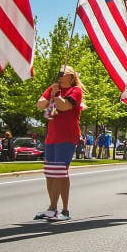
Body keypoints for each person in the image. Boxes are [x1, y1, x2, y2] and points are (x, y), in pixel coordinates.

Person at [34, 65, 85, 221]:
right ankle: (54, 208)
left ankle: (60, 209)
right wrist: (52, 94)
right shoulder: (53, 88)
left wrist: (55, 95)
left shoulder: (75, 91)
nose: (59, 75)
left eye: (63, 73)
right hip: (52, 137)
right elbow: (41, 105)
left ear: (71, 77)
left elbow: (64, 106)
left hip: (67, 136)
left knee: (59, 172)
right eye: (59, 73)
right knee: (50, 173)